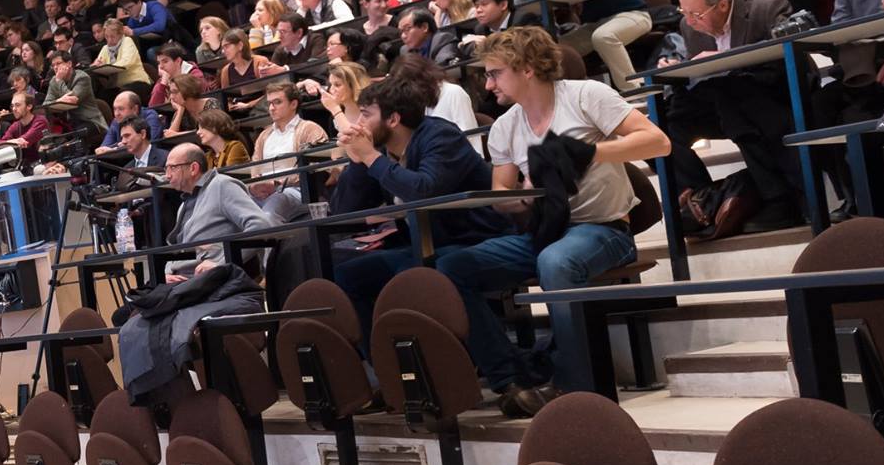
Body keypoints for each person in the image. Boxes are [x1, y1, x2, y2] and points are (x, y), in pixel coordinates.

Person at [434, 27, 669, 415]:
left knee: (555, 261)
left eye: (495, 73)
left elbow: (658, 142)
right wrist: (524, 195)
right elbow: (501, 196)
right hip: (545, 231)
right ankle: (511, 377)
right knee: (451, 267)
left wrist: (587, 152)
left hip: (604, 228)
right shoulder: (505, 126)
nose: (488, 85)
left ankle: (577, 388)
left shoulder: (586, 95)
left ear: (526, 69)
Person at [329, 76, 503, 335]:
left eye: (365, 115)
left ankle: (491, 358)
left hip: (473, 237)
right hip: (423, 243)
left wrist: (370, 156)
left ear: (393, 119)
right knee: (346, 276)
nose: (358, 124)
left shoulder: (440, 136)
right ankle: (384, 356)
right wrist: (357, 161)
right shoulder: (380, 149)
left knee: (411, 275)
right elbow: (344, 212)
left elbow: (424, 191)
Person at [116, 145, 275, 401]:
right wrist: (166, 272)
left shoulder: (223, 186)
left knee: (153, 322)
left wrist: (221, 263)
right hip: (186, 283)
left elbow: (261, 227)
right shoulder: (185, 204)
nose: (167, 174)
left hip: (214, 285)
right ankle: (172, 403)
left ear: (193, 168)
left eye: (172, 167)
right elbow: (178, 251)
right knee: (131, 320)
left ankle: (185, 401)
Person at [656, 0, 802, 236]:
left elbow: (784, 61)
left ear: (722, 5)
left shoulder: (766, 7)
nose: (689, 21)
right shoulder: (689, 26)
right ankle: (704, 196)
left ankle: (780, 200)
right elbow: (703, 71)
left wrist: (728, 58)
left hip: (774, 95)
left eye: (696, 14)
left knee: (732, 100)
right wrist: (678, 68)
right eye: (683, 12)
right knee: (659, 127)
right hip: (724, 100)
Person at [249, 81, 327, 221]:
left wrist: (277, 184)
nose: (271, 108)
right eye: (269, 103)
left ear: (293, 104)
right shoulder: (264, 135)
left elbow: (315, 169)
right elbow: (255, 167)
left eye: (277, 102)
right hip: (265, 192)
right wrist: (255, 185)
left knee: (273, 207)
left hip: (297, 190)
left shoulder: (310, 129)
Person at [42, 51, 108, 137]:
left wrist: (59, 81)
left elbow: (73, 100)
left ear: (69, 64)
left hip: (90, 121)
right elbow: (45, 105)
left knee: (77, 136)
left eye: (58, 63)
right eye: (53, 65)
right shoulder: (53, 81)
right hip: (70, 123)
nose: (55, 67)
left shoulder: (82, 77)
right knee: (53, 140)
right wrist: (58, 101)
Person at [93, 17, 151, 87]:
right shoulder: (105, 48)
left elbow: (127, 62)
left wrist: (107, 67)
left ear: (120, 34)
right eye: (106, 36)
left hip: (137, 82)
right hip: (116, 86)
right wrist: (95, 65)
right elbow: (97, 65)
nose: (109, 40)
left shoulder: (127, 41)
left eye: (112, 36)